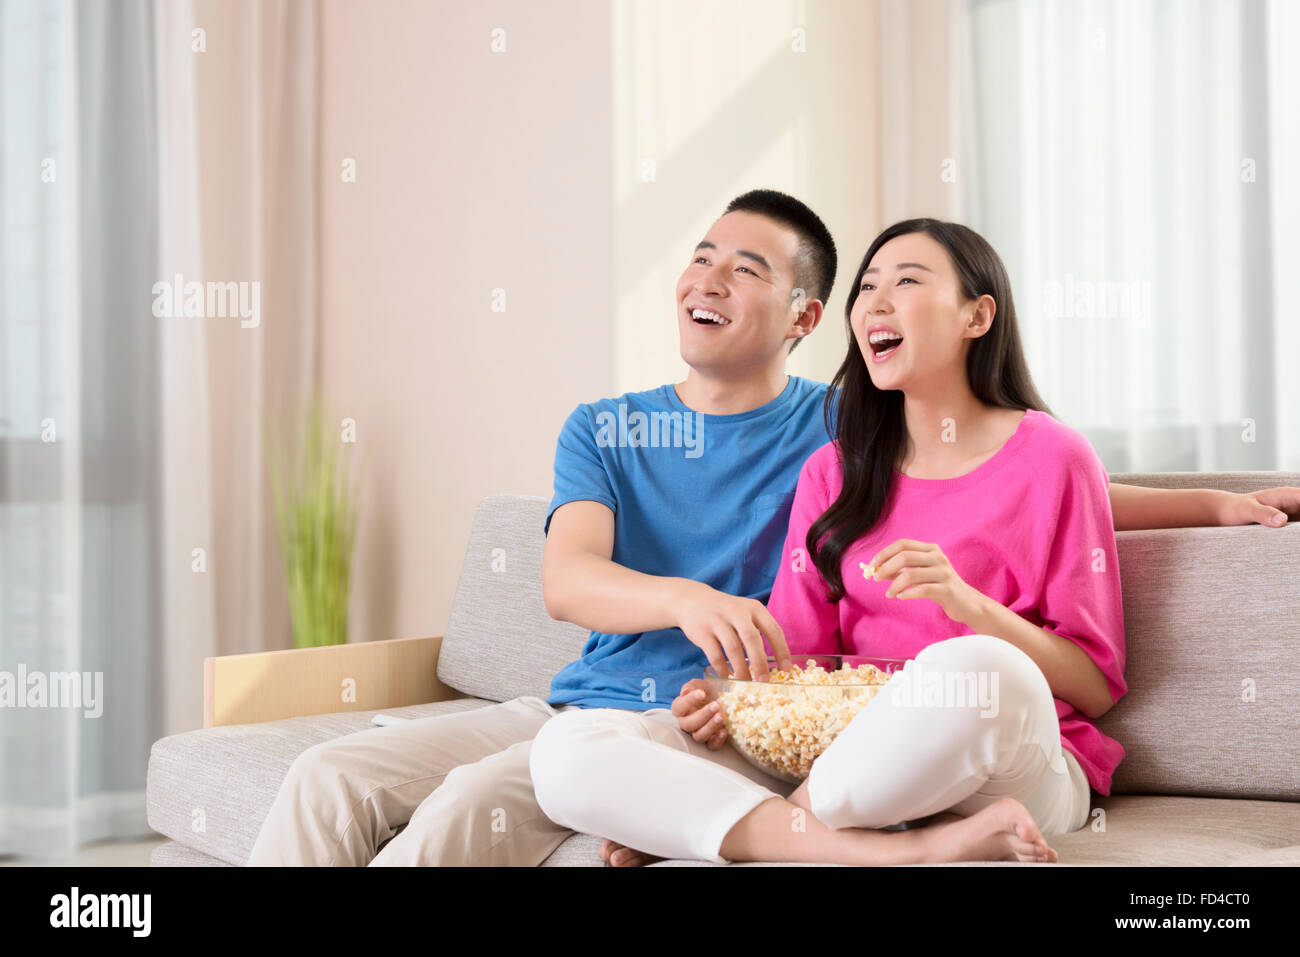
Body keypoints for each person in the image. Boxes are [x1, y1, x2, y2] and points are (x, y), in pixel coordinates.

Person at [246, 192, 1297, 866]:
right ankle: (844, 843)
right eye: (702, 256)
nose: (708, 277)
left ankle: (755, 831)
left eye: (746, 268)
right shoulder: (698, 440)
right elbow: (586, 587)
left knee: (971, 666)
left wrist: (1210, 505)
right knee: (390, 770)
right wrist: (706, 637)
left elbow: (1017, 479)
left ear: (802, 317)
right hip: (685, 722)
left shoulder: (871, 433)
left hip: (861, 725)